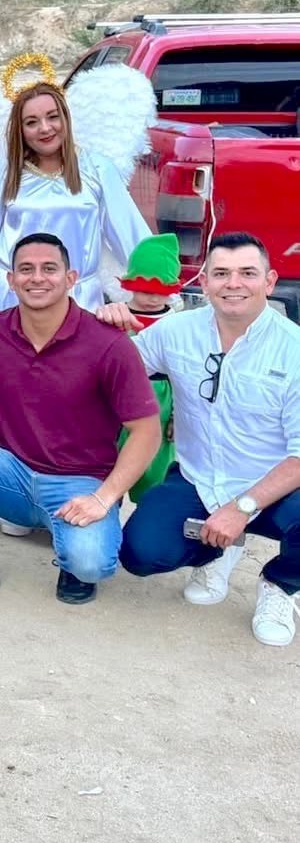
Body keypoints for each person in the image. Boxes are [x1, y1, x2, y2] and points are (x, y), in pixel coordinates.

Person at [0, 233, 161, 606]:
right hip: (12, 472)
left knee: (90, 564)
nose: (37, 277)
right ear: (11, 279)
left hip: (81, 483)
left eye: (49, 269)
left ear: (71, 278)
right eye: (26, 269)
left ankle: (72, 556)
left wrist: (103, 498)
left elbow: (146, 432)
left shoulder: (108, 343)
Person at [111, 233, 300, 647]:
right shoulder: (176, 331)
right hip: (199, 478)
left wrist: (241, 508)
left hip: (275, 487)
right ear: (204, 282)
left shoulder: (294, 350)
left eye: (247, 273)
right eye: (221, 273)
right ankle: (218, 549)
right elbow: (114, 366)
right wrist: (104, 323)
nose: (234, 284)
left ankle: (281, 584)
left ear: (269, 281)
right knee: (140, 553)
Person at [0, 78, 149, 445]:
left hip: (79, 298)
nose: (45, 128)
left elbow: (130, 234)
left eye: (52, 117)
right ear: (20, 130)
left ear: (65, 118)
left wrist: (155, 287)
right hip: (12, 298)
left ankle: (74, 464)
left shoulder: (96, 169)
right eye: (32, 122)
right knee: (5, 389)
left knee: (75, 388)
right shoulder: (5, 175)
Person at [112, 234, 182, 503]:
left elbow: (181, 375)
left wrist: (177, 416)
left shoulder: (177, 323)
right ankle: (109, 509)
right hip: (119, 400)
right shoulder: (115, 316)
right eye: (144, 290)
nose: (152, 298)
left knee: (156, 471)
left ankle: (149, 514)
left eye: (161, 291)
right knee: (112, 462)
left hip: (160, 400)